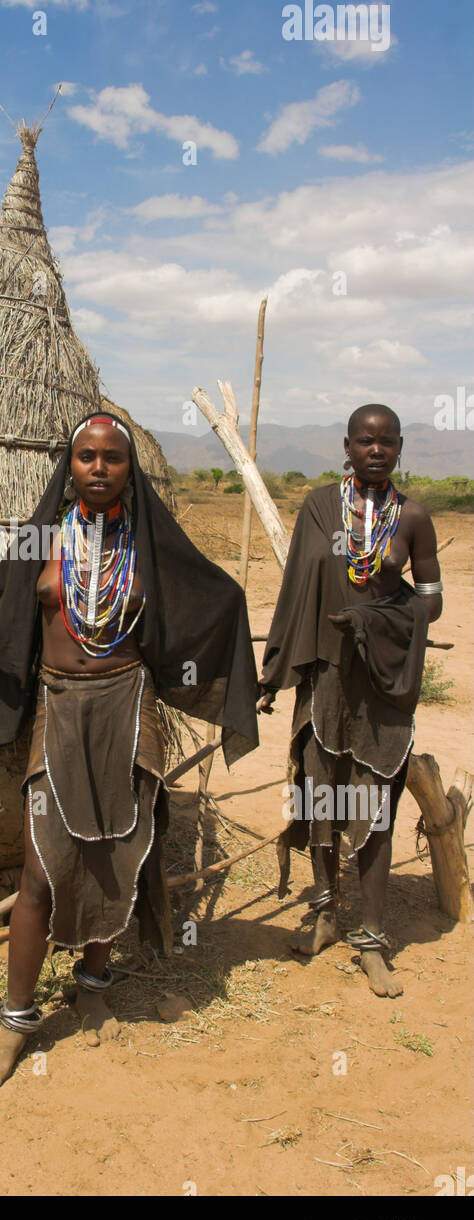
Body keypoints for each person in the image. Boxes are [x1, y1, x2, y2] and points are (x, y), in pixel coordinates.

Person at [0, 412, 258, 1087]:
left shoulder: (149, 542)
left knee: (114, 853)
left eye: (113, 458)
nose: (99, 468)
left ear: (129, 469)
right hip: (59, 707)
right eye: (87, 457)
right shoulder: (44, 535)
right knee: (40, 870)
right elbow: (0, 603)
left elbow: (211, 597)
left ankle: (95, 982)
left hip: (128, 706)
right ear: (70, 466)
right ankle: (17, 1019)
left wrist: (241, 666)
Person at [259, 404, 442, 997]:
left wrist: (379, 611)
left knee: (373, 802)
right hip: (326, 676)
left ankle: (372, 937)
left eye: (387, 442)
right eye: (366, 440)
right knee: (317, 794)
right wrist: (275, 666)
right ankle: (324, 913)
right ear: (347, 445)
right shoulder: (318, 506)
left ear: (400, 448)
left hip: (383, 684)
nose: (376, 450)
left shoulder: (412, 517)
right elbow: (295, 587)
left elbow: (432, 601)